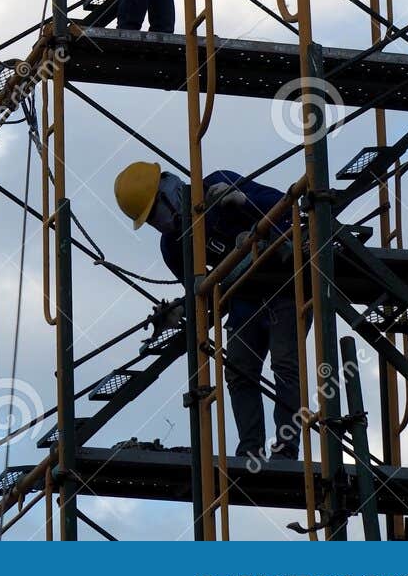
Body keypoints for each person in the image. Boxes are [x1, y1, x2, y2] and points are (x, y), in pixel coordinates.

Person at [114, 160, 305, 463]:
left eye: (155, 213)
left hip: (283, 284)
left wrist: (244, 201)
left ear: (170, 190)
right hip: (244, 300)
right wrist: (182, 309)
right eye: (149, 221)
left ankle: (285, 451)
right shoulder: (174, 246)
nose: (157, 223)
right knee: (239, 372)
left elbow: (288, 209)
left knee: (285, 365)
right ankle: (250, 451)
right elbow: (201, 297)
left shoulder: (220, 184)